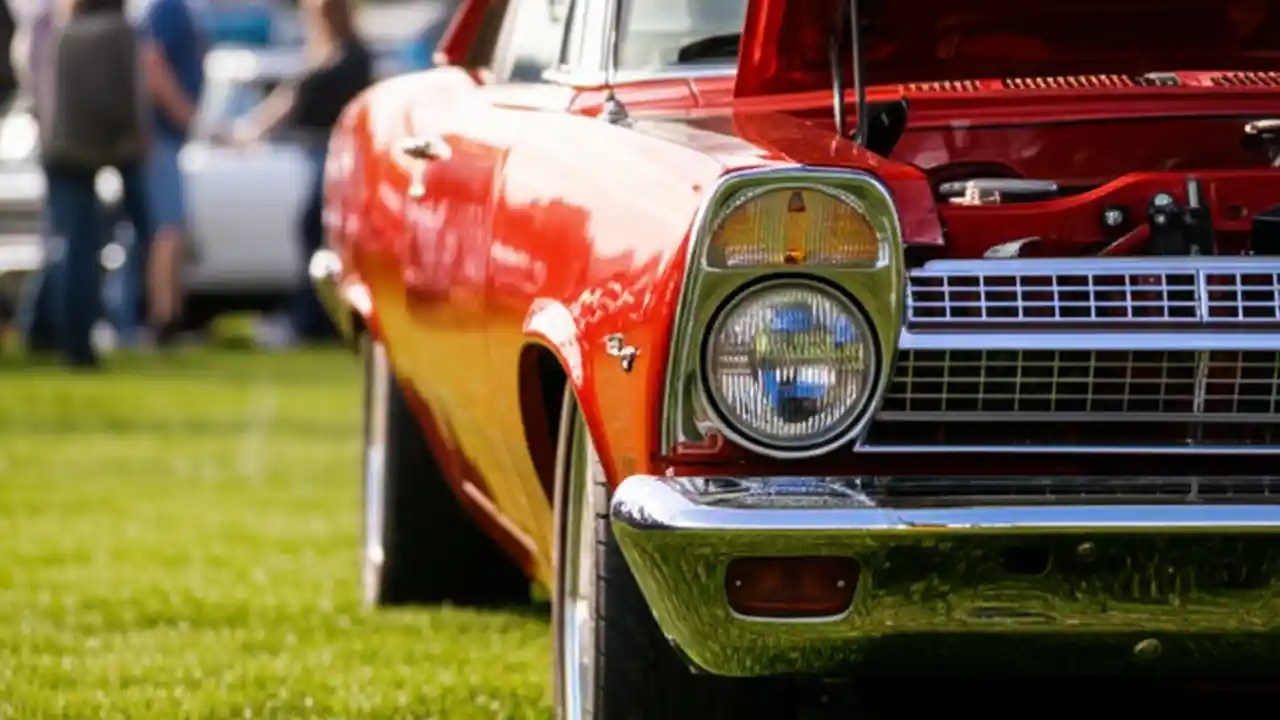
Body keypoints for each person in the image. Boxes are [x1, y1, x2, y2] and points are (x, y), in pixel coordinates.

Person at [229, 0, 370, 346]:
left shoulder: (347, 57)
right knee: (313, 232)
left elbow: (295, 98)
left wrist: (252, 130)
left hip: (334, 152)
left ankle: (312, 319)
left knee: (316, 231)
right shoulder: (326, 53)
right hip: (318, 152)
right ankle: (314, 317)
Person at [38, 0, 152, 366]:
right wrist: (137, 137)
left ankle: (46, 332)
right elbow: (130, 93)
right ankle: (87, 342)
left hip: (60, 149)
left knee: (68, 244)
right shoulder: (120, 32)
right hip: (103, 147)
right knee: (89, 247)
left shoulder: (64, 30)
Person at [138, 0, 203, 342]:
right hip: (161, 133)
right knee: (170, 228)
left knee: (169, 228)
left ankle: (170, 316)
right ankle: (165, 320)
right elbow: (153, 65)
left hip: (162, 135)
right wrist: (188, 116)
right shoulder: (166, 8)